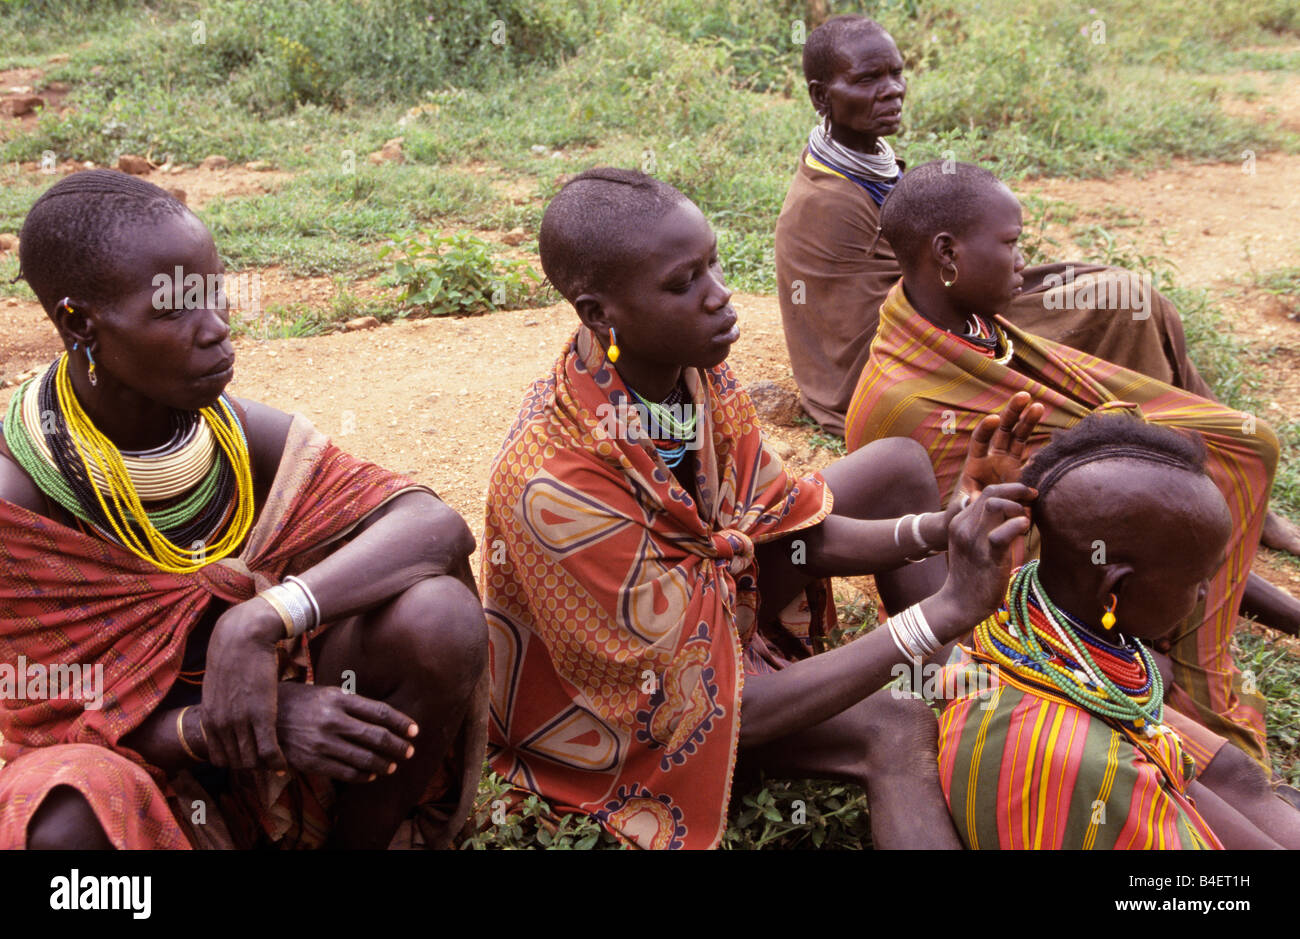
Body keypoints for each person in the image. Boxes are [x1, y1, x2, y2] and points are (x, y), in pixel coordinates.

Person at [482, 167, 1039, 849]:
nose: (719, 297)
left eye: (712, 264)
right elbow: (704, 707)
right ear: (599, 313)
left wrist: (940, 528)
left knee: (895, 467)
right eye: (683, 284)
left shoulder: (691, 367)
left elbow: (783, 527)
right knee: (895, 724)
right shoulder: (557, 485)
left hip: (704, 611)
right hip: (624, 720)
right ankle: (952, 670)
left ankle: (968, 680)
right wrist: (940, 611)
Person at [0, 170, 488, 849]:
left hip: (295, 776)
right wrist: (228, 723)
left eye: (213, 295)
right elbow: (48, 716)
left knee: (437, 618)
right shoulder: (19, 501)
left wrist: (266, 617)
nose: (217, 328)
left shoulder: (234, 435)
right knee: (61, 813)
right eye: (175, 310)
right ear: (79, 322)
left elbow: (431, 524)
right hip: (154, 777)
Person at [776, 13, 1300, 553]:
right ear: (821, 95)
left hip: (939, 303)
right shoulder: (827, 201)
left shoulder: (862, 159)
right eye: (867, 80)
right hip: (900, 352)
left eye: (896, 73)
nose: (891, 90)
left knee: (1126, 291)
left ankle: (1205, 458)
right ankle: (1183, 476)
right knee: (1128, 306)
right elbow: (870, 331)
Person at [844, 159, 1300, 768]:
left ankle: (1188, 644)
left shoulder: (980, 332)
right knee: (1171, 708)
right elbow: (937, 586)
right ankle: (1195, 675)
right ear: (947, 254)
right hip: (984, 615)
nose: (1023, 262)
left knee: (1238, 447)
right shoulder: (903, 401)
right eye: (1010, 244)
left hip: (1057, 569)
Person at [937, 413, 1300, 849]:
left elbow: (1205, 777)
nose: (1205, 593)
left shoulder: (1019, 613)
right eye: (1198, 579)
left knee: (1238, 774)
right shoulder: (1092, 768)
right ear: (1115, 590)